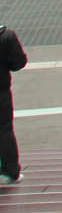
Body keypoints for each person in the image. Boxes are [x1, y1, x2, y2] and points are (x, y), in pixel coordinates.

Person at [0, 22, 25, 185]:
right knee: (4, 129)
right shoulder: (6, 36)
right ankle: (10, 172)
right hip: (0, 92)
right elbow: (18, 63)